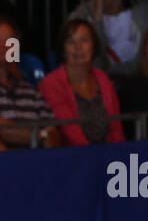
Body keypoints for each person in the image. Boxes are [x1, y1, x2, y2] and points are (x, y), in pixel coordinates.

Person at [0, 16, 58, 148]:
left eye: (9, 40)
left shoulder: (29, 89)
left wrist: (45, 135)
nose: (3, 45)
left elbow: (53, 132)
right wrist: (40, 135)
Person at [38, 18, 124, 146]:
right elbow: (69, 130)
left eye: (84, 40)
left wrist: (120, 156)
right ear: (63, 50)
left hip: (110, 157)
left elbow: (116, 128)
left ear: (93, 45)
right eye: (70, 42)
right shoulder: (50, 83)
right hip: (72, 157)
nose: (78, 47)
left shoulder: (103, 78)